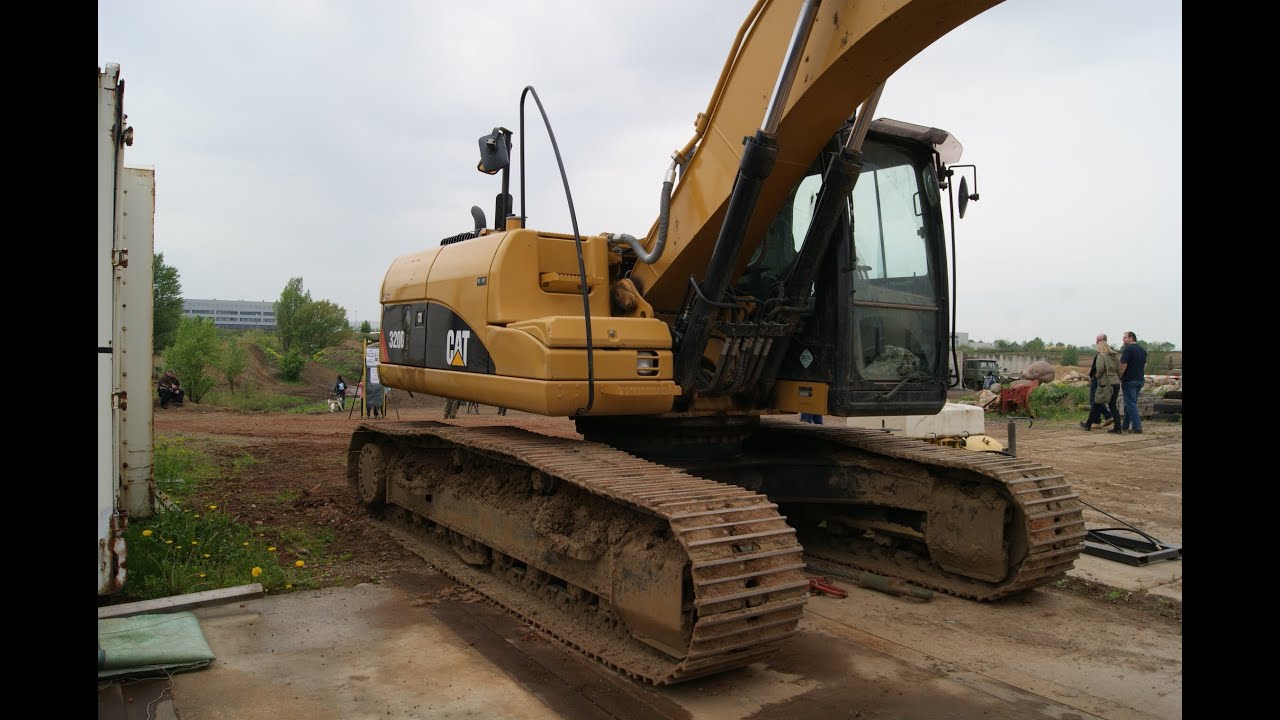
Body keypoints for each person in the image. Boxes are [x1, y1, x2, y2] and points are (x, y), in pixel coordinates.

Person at [1080, 338, 1121, 432]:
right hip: (1115, 382)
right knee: (1112, 405)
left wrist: (1095, 377)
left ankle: (1088, 425)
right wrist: (1117, 378)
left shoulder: (1101, 356)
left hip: (1105, 383)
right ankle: (1118, 427)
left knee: (1096, 403)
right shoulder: (1114, 357)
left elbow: (1100, 369)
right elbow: (1119, 370)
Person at [1118, 330, 1148, 434]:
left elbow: (1123, 365)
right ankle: (1125, 426)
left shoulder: (1128, 350)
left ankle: (1137, 426)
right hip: (1140, 379)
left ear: (1131, 338)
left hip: (1129, 380)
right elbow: (1144, 365)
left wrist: (1119, 376)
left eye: (1125, 337)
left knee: (1130, 404)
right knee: (1130, 403)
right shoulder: (1142, 350)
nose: (1123, 339)